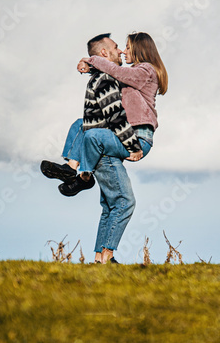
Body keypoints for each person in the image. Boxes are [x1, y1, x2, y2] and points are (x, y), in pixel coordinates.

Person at [41, 32, 168, 263]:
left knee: (95, 137)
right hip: (119, 136)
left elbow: (116, 71)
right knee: (83, 126)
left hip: (137, 138)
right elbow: (111, 73)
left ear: (140, 49)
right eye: (121, 47)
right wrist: (89, 64)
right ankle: (101, 258)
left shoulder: (146, 71)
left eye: (127, 47)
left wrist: (90, 60)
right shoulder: (129, 75)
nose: (123, 51)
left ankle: (83, 176)